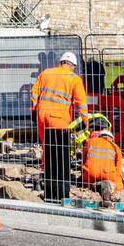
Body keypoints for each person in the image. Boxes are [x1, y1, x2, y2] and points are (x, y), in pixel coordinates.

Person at [30, 51, 87, 203]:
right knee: (60, 151)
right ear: (72, 66)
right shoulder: (73, 78)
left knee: (46, 147)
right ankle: (59, 187)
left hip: (42, 115)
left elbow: (34, 94)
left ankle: (45, 178)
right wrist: (85, 120)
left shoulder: (46, 73)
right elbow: (81, 102)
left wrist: (34, 111)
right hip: (59, 117)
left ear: (60, 62)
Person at [80, 122, 124, 203]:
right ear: (111, 138)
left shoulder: (89, 142)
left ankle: (92, 185)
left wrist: (84, 176)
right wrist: (119, 186)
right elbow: (118, 170)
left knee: (88, 179)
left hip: (90, 174)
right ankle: (109, 188)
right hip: (107, 174)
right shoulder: (115, 147)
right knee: (117, 184)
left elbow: (83, 161)